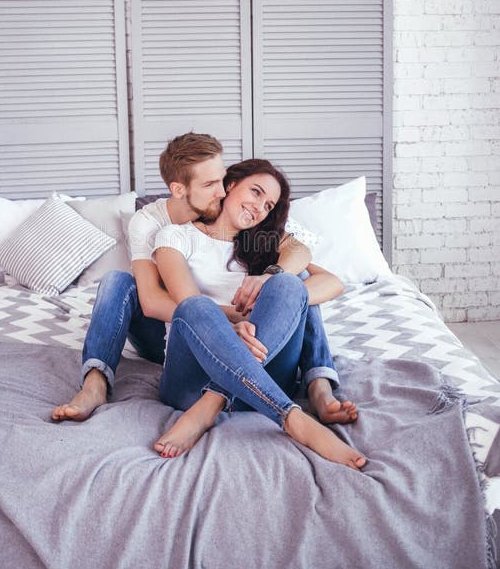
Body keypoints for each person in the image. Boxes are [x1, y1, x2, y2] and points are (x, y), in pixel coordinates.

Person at [52, 133, 348, 431]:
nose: (220, 192)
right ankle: (95, 383)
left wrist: (270, 279)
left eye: (221, 180)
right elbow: (163, 303)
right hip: (192, 345)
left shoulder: (263, 233)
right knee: (121, 282)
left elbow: (308, 261)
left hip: (264, 356)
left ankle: (317, 385)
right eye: (211, 185)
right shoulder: (162, 229)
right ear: (180, 189)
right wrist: (232, 321)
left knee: (295, 283)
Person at [152, 158, 366, 470]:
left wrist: (270, 277)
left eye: (268, 205)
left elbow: (331, 282)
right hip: (190, 380)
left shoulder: (262, 243)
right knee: (196, 308)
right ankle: (291, 416)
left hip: (263, 371)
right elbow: (187, 302)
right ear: (230, 184)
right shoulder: (176, 236)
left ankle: (211, 404)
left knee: (292, 285)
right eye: (255, 192)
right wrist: (233, 327)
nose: (259, 207)